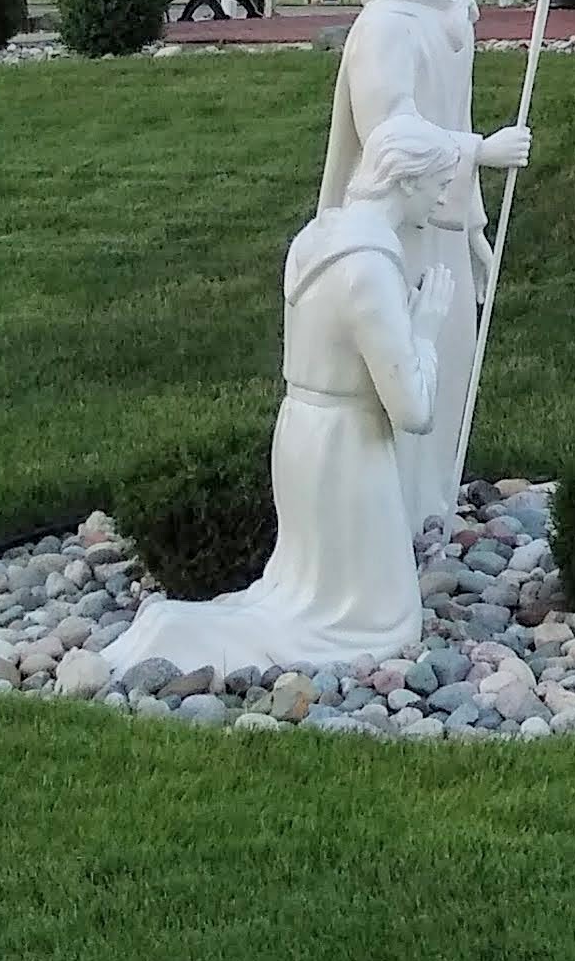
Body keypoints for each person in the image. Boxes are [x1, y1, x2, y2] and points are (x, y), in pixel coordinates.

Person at [109, 111, 451, 679]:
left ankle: (174, 629)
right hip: (347, 448)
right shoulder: (369, 265)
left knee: (298, 593)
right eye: (439, 186)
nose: (441, 203)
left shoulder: (317, 236)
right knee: (374, 625)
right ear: (407, 181)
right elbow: (413, 410)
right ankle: (177, 632)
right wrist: (427, 332)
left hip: (300, 432)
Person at [319, 0, 529, 521]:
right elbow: (390, 136)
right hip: (398, 228)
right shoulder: (389, 24)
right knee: (405, 364)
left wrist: (473, 228)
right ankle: (392, 514)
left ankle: (429, 505)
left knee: (451, 363)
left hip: (443, 219)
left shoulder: (448, 6)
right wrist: (479, 152)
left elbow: (449, 111)